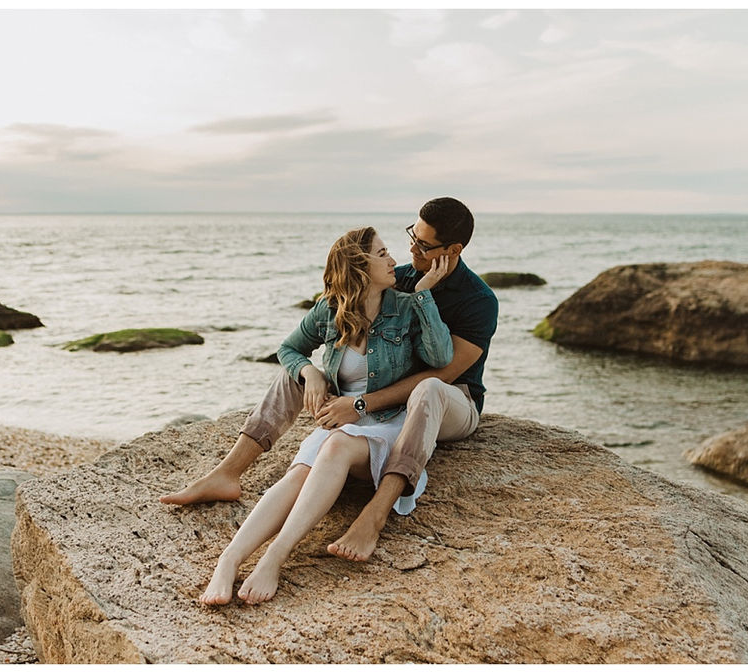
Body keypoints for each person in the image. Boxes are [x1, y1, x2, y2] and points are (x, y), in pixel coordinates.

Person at [161, 197, 498, 563]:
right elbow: (312, 339)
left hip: (452, 400)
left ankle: (376, 513)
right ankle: (228, 472)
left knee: (428, 388)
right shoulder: (397, 276)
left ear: (454, 250)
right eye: (411, 237)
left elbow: (442, 370)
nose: (410, 249)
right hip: (389, 395)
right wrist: (313, 373)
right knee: (297, 375)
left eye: (423, 245)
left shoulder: (478, 301)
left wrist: (358, 404)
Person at [197, 226, 453, 604]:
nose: (393, 260)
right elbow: (288, 349)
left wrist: (424, 296)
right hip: (343, 423)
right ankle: (229, 560)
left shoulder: (405, 306)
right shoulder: (329, 310)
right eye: (381, 254)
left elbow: (440, 358)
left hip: (389, 424)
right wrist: (310, 371)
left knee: (334, 448)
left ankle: (273, 557)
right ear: (359, 267)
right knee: (298, 474)